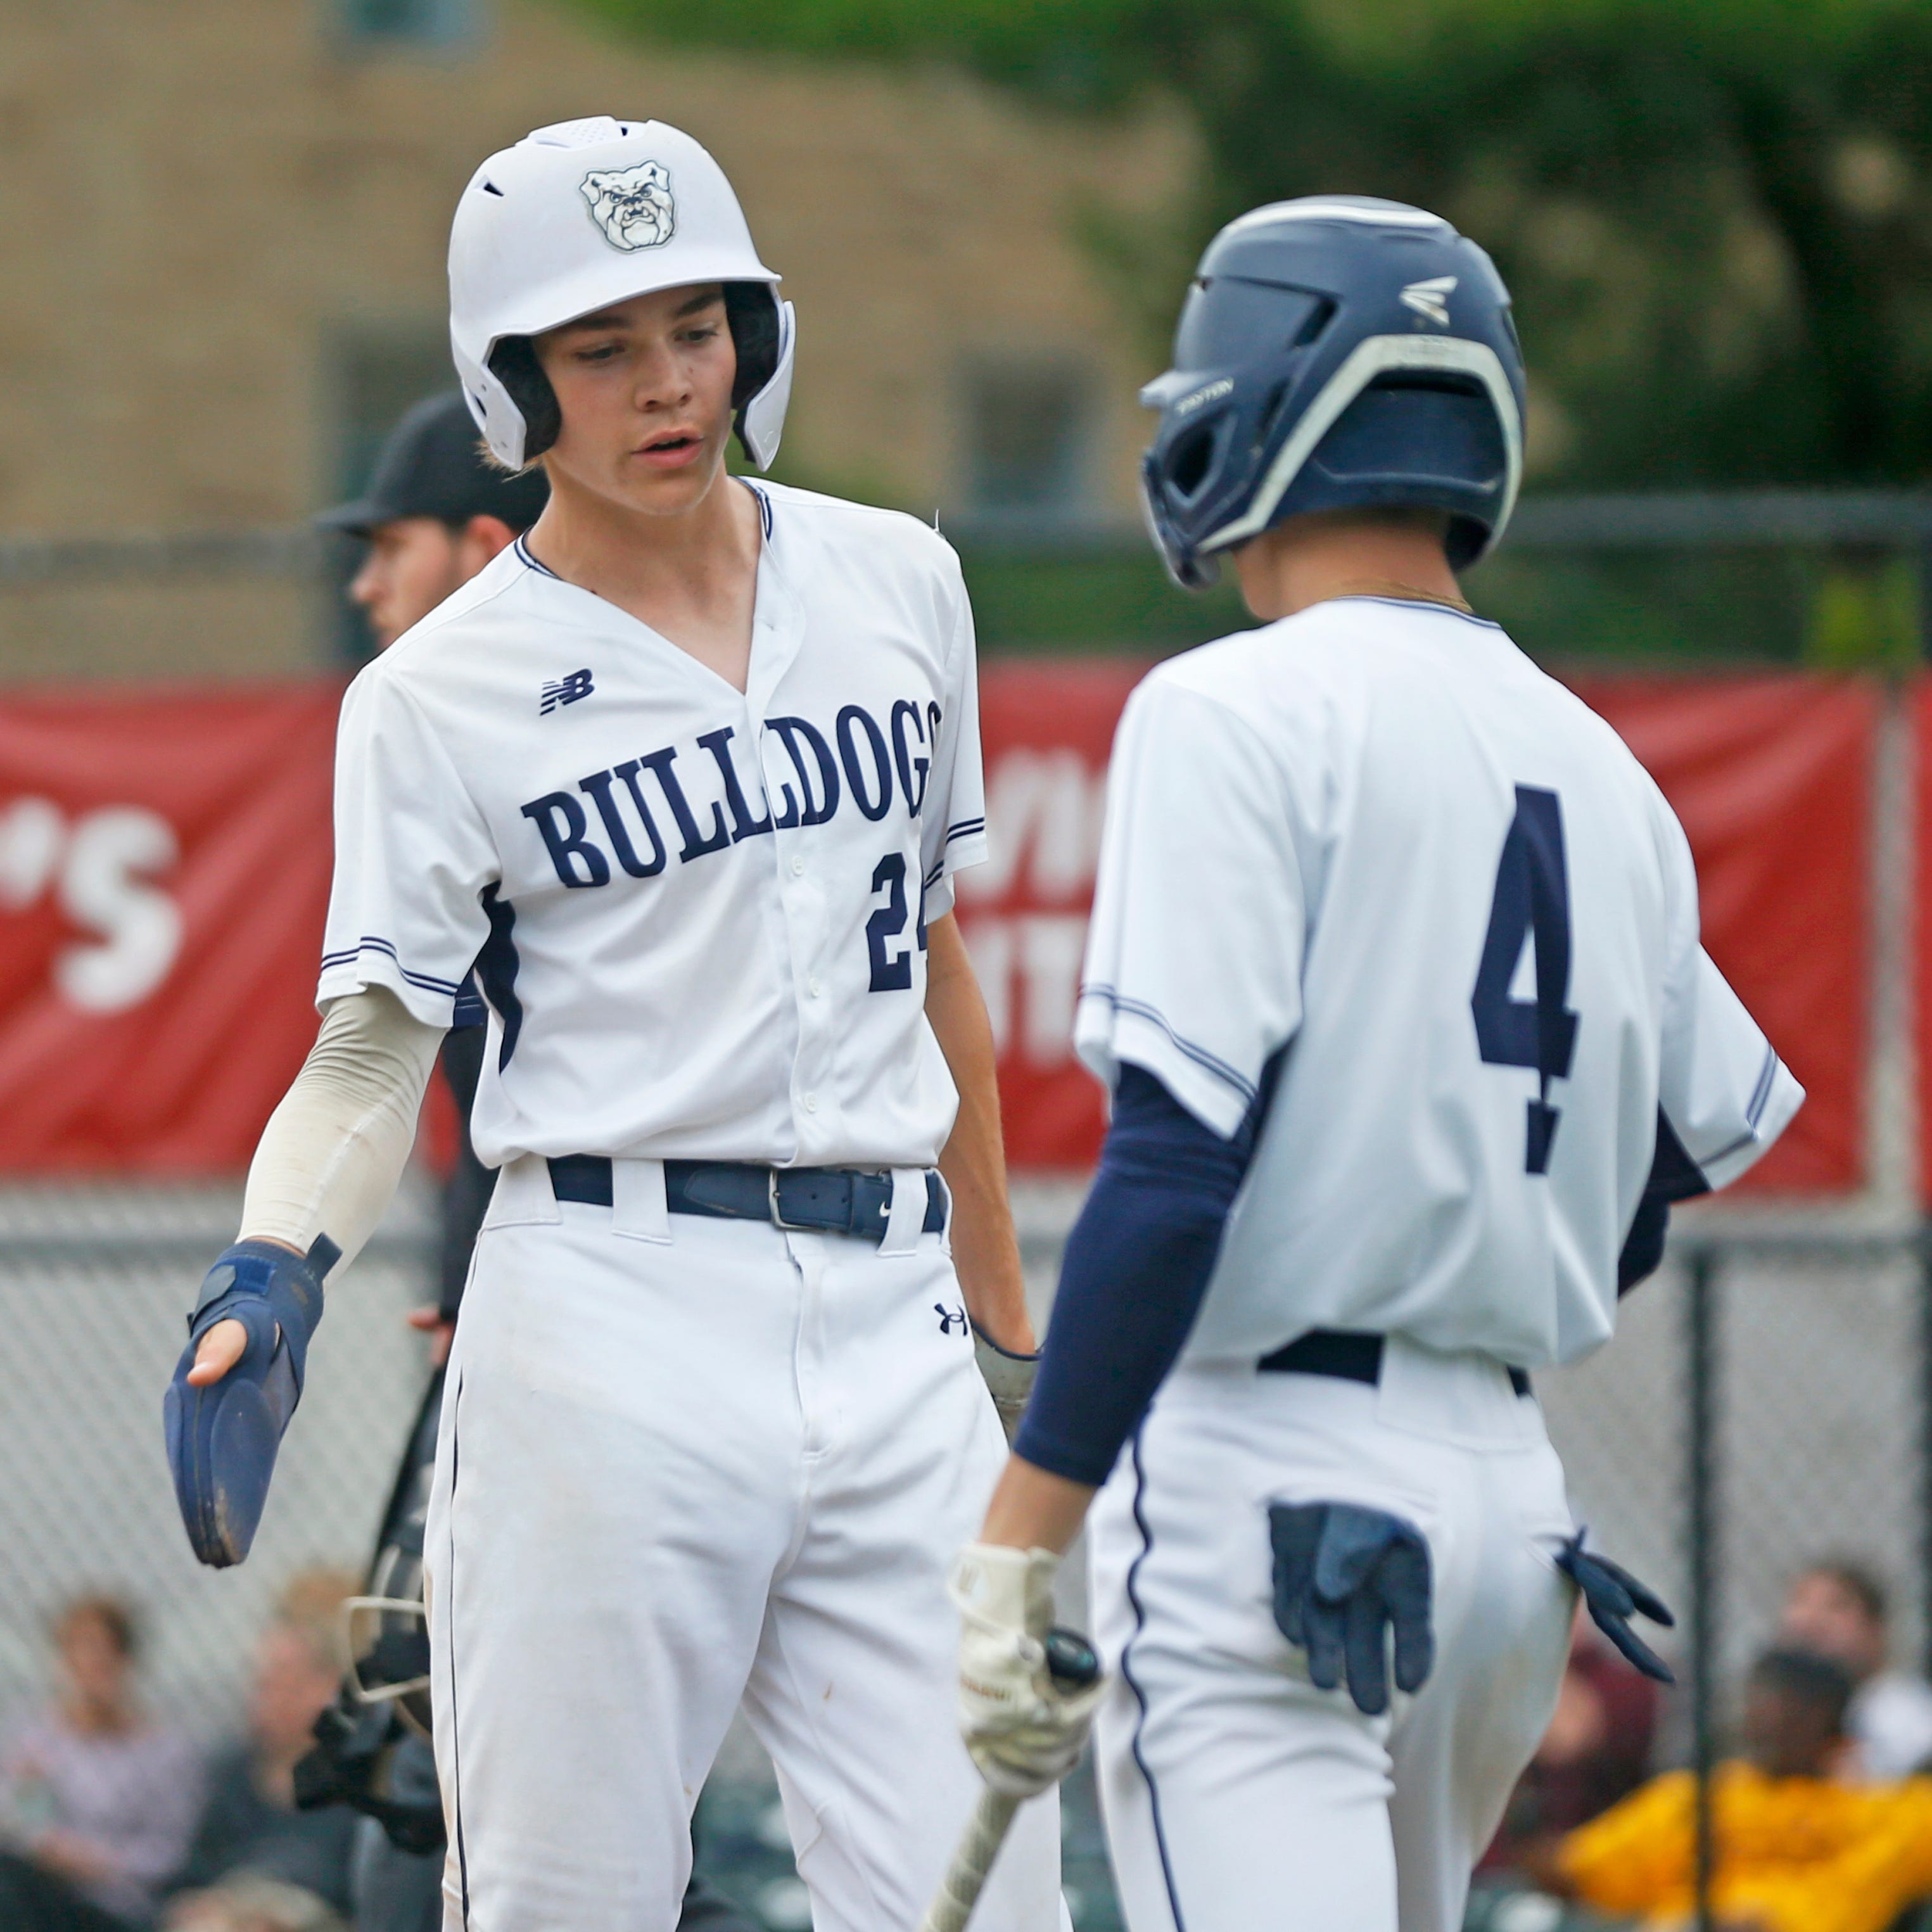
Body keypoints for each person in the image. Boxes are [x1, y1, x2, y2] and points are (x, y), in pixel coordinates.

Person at [164, 115, 1058, 1932]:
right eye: (601, 347)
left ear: (757, 332)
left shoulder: (903, 580)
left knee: (990, 1900)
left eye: (697, 326)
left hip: (895, 1321)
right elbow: (366, 1043)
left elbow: (936, 969)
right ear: (515, 389)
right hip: (612, 1315)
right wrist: (270, 1270)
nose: (668, 383)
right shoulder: (437, 689)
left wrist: (1007, 1332)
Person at [945, 196, 1804, 1932]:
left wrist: (1024, 1522)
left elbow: (1174, 1176)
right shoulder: (1601, 762)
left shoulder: (1232, 707)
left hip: (1265, 1481)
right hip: (1504, 1516)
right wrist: (1464, 1242)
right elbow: (1692, 1142)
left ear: (1253, 410)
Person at [309, 392, 754, 1932]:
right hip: (538, 1325)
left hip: (630, 1339)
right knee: (471, 1811)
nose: (367, 585)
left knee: (479, 1822)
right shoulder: (443, 731)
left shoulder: (559, 736)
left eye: (394, 546)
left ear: (488, 543)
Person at [1540, 1648, 1932, 1932]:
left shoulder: (1878, 1811)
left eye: (1792, 1721)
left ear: (1836, 1736)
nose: (1768, 1729)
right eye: (1761, 1714)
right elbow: (1581, 1869)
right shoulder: (1703, 1796)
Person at [168, 1574, 361, 1925]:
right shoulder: (235, 1774)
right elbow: (189, 1881)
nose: (264, 1700)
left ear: (328, 1687)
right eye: (263, 1683)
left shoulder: (360, 1783)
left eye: (284, 1683)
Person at [0, 1594, 201, 1929]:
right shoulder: (36, 1740)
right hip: (43, 1888)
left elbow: (173, 1851)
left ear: (125, 1661)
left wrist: (98, 1861)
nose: (91, 1667)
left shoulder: (165, 1752)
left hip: (117, 1901)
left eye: (103, 1655)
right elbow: (25, 1821)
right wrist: (47, 1844)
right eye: (79, 1653)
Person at [1781, 1560, 1932, 1781]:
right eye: (1801, 1602)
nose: (1812, 1621)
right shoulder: (1779, 1715)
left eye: (1836, 1606)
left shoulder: (1902, 1708)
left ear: (1876, 1629)